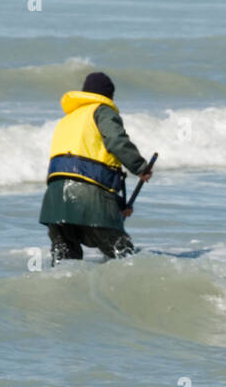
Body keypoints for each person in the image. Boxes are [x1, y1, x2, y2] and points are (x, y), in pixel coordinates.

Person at [38, 72, 152, 263]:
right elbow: (116, 142)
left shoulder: (67, 120)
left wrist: (118, 207)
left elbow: (78, 168)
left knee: (64, 264)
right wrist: (140, 167)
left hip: (54, 201)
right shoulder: (102, 111)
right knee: (124, 257)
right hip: (89, 199)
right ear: (109, 96)